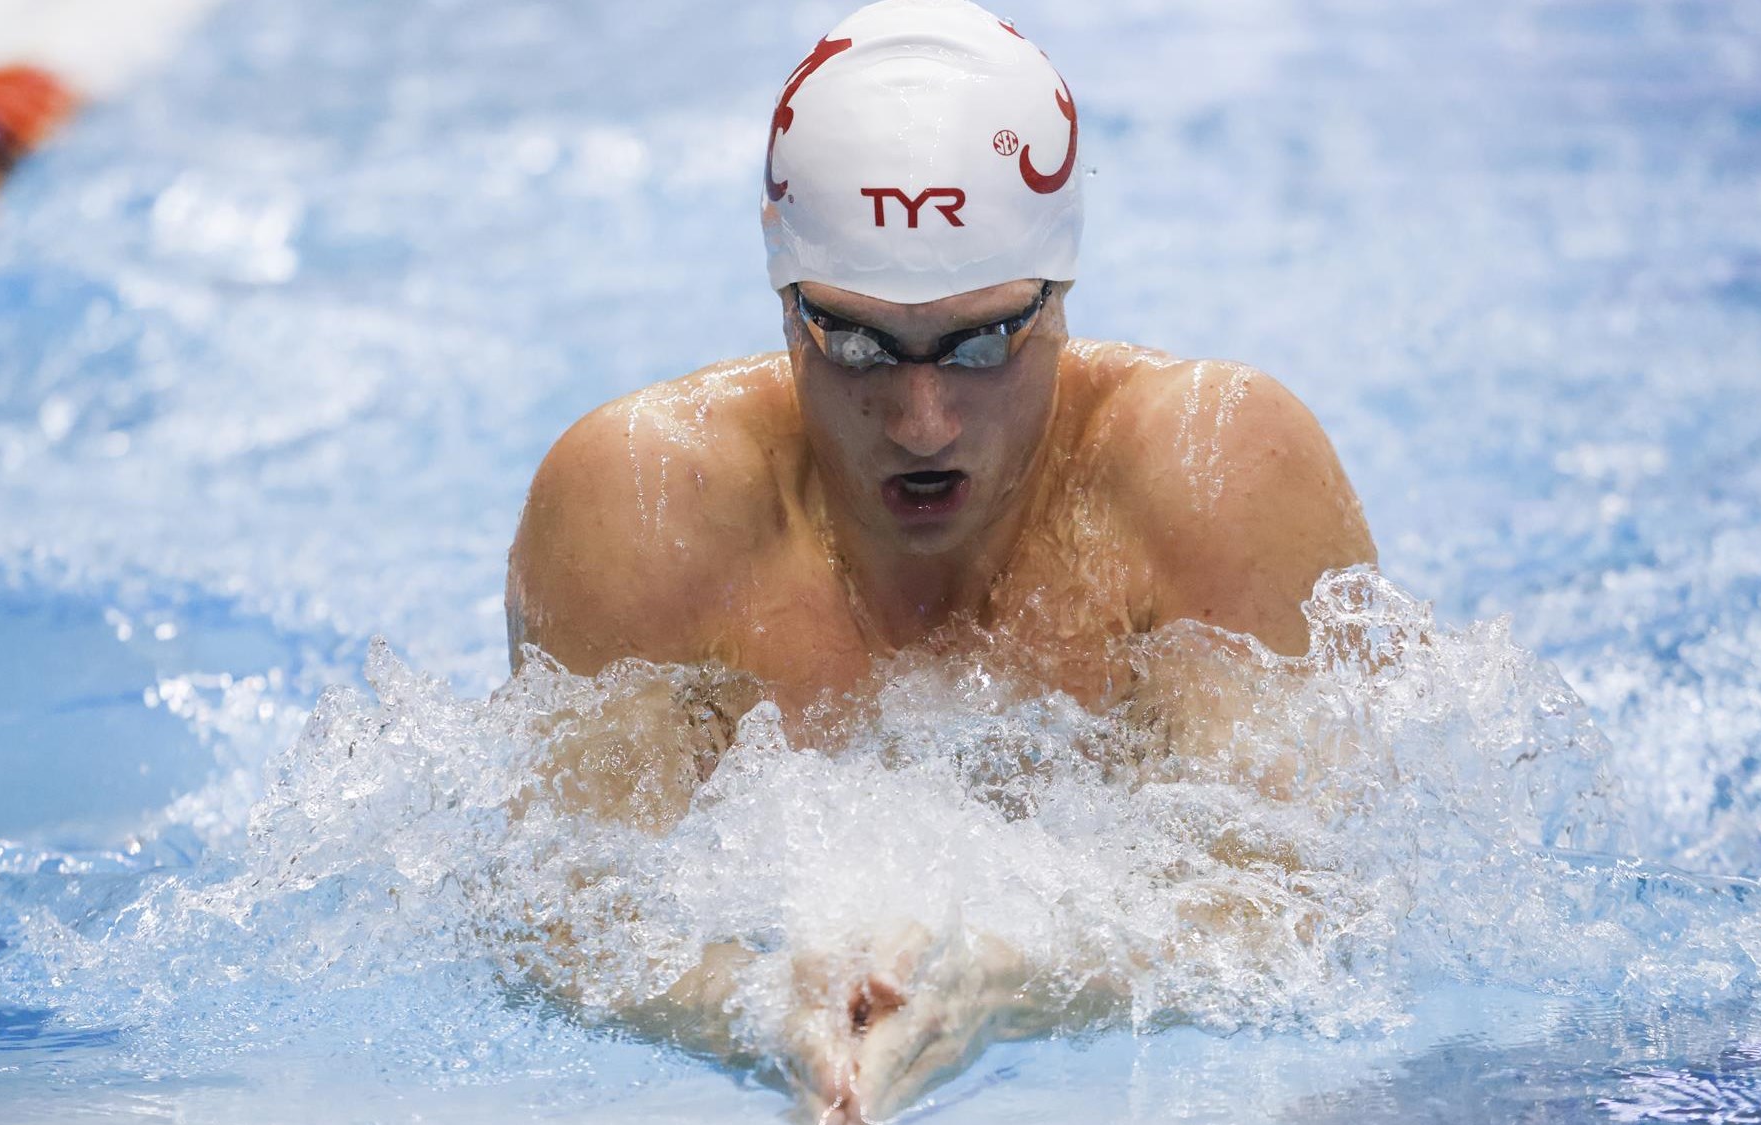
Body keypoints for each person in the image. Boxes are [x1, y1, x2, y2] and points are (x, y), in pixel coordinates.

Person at [504, 0, 1376, 1118]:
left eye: (979, 343)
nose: (921, 422)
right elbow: (559, 917)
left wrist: (1022, 981)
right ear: (784, 305)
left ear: (1059, 298)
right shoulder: (640, 506)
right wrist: (750, 1002)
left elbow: (1299, 905)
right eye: (859, 342)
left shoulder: (1212, 478)